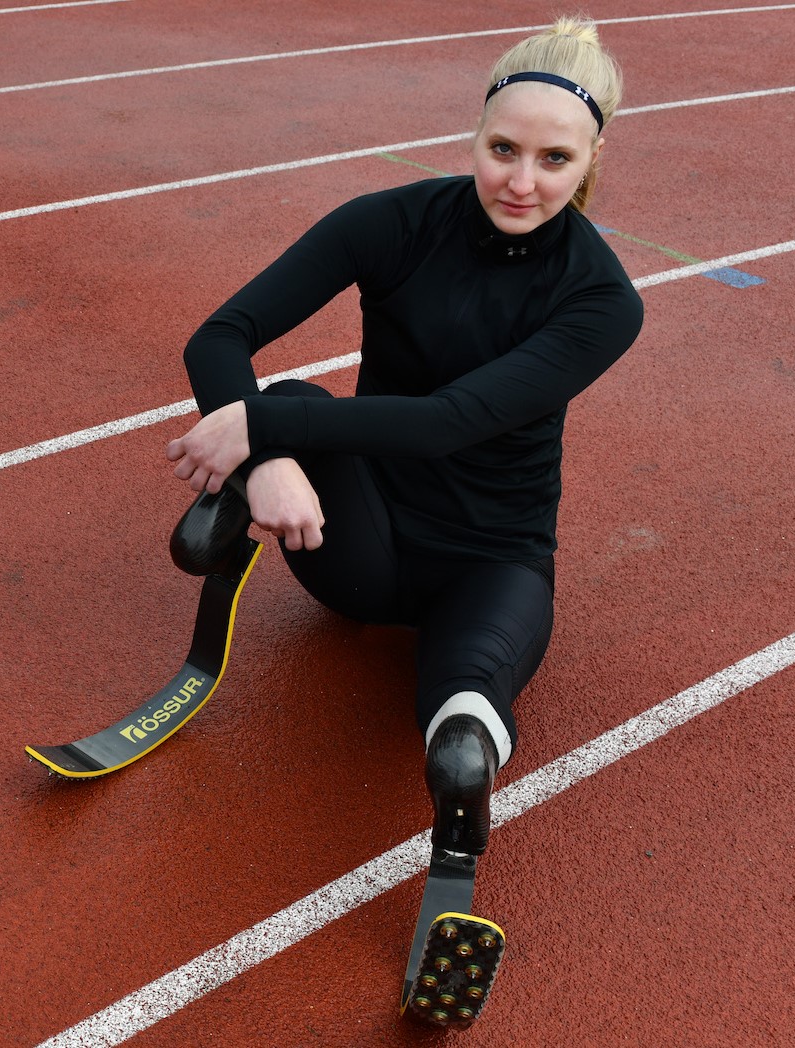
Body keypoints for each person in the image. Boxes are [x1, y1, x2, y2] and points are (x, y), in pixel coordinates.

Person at [163, 18, 642, 859]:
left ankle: (460, 810)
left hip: (493, 561)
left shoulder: (601, 300)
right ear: (476, 133)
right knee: (289, 396)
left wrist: (258, 425)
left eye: (554, 160)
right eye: (503, 148)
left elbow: (450, 421)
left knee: (462, 725)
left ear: (592, 160)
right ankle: (251, 489)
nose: (521, 182)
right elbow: (219, 337)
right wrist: (272, 458)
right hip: (356, 544)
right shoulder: (391, 223)